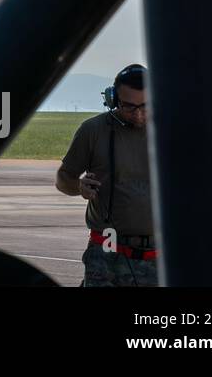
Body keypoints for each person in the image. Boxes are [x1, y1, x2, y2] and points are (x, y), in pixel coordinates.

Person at [56, 64, 157, 286]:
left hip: (158, 257)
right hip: (106, 252)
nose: (138, 114)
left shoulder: (175, 131)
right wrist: (78, 186)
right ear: (112, 99)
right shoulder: (93, 131)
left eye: (145, 106)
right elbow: (63, 178)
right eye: (129, 107)